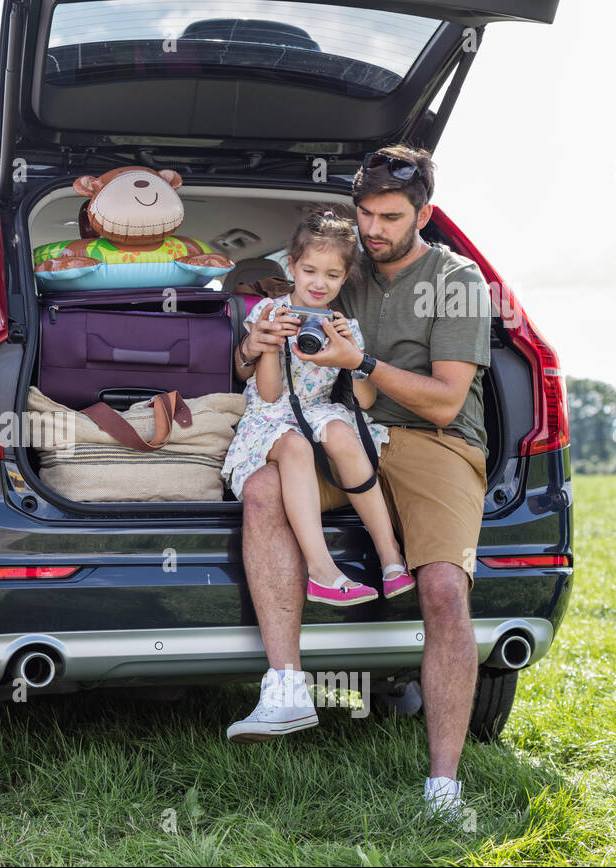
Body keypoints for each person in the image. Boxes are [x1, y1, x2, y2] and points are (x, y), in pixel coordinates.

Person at [226, 145, 493, 824]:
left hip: (435, 441)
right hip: (346, 430)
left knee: (441, 589)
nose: (374, 228)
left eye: (391, 217)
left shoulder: (456, 280)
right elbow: (280, 312)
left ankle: (442, 790)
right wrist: (256, 336)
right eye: (366, 213)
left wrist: (362, 358)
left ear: (424, 215)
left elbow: (441, 401)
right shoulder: (345, 270)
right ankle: (285, 686)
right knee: (261, 489)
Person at [220, 210, 415, 613]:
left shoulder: (344, 325)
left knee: (344, 435)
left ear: (345, 278)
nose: (318, 283)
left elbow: (363, 403)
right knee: (295, 448)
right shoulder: (268, 314)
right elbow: (271, 395)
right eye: (309, 270)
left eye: (332, 275)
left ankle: (391, 557)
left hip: (320, 412)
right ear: (291, 266)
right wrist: (272, 343)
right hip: (270, 416)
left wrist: (351, 357)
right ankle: (322, 571)